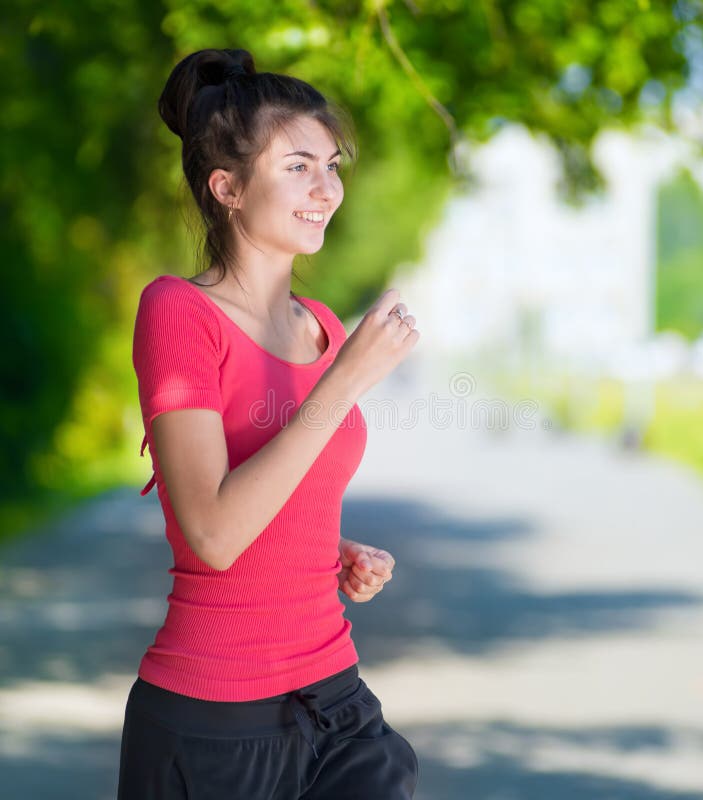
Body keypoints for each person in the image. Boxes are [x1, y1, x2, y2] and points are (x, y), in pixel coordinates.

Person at [116, 47, 420, 800]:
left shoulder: (317, 322)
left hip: (336, 701)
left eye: (332, 163)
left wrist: (330, 547)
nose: (327, 187)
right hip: (214, 722)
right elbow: (214, 534)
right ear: (226, 187)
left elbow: (276, 490)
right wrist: (347, 376)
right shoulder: (178, 313)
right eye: (298, 166)